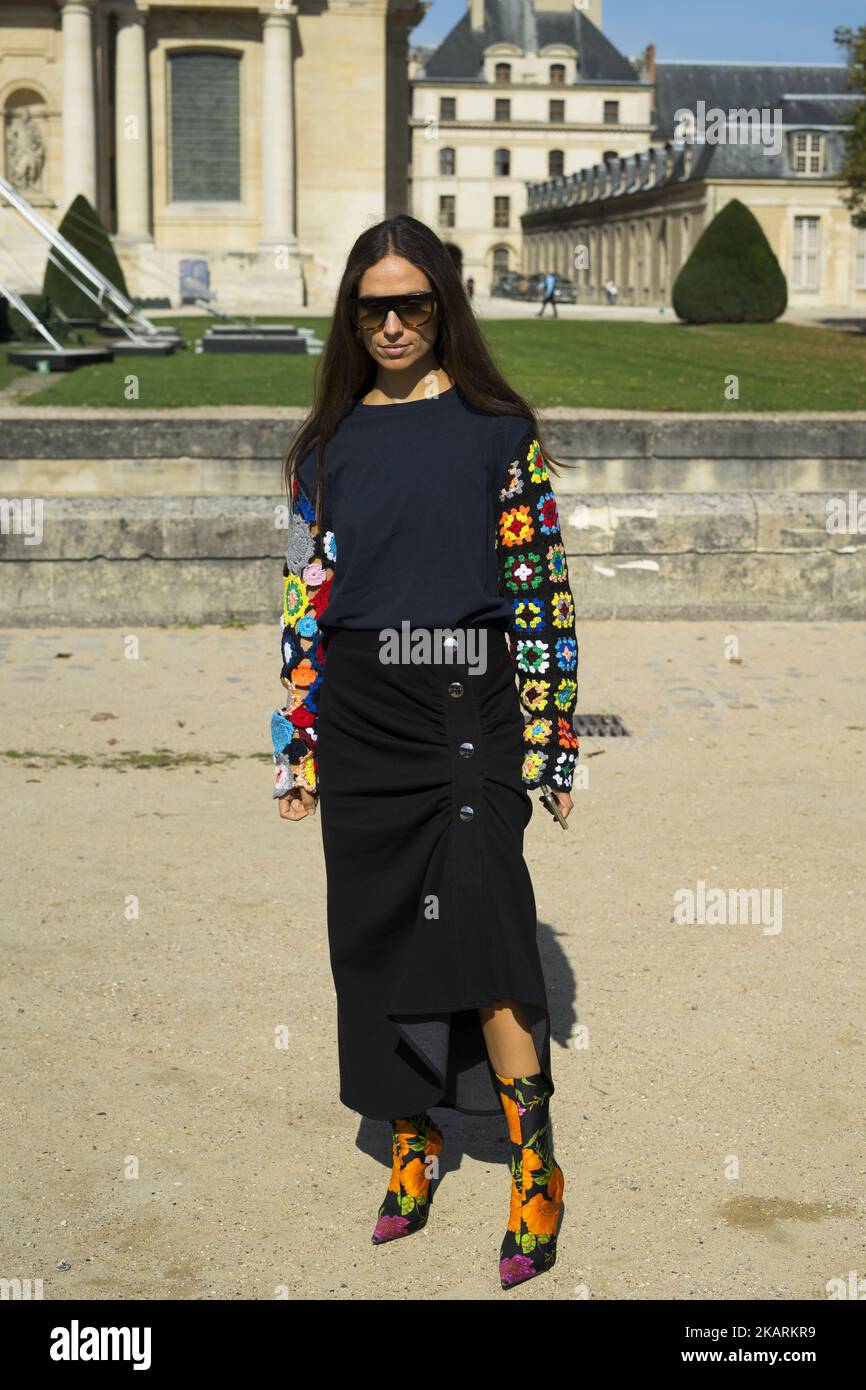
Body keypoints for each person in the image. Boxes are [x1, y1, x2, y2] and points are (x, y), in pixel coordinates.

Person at [270, 214, 579, 1291]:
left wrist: (553, 735)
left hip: (469, 703)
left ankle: (532, 1165)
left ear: (442, 303)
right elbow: (304, 601)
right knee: (384, 937)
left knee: (490, 925)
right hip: (362, 716)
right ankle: (415, 1143)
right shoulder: (325, 445)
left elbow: (539, 586)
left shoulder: (499, 428)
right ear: (350, 318)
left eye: (410, 303)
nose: (393, 323)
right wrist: (296, 743)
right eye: (372, 307)